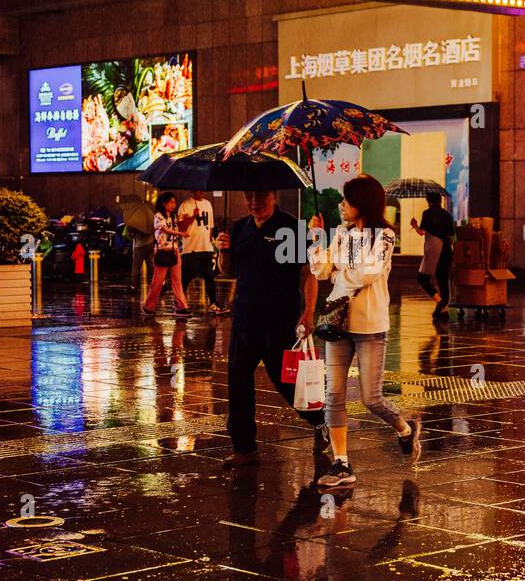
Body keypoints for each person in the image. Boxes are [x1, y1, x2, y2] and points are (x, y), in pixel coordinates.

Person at [309, 174, 421, 489]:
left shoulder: (384, 236)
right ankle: (341, 462)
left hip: (370, 325)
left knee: (372, 398)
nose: (342, 206)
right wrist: (317, 239)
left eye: (347, 200)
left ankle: (404, 428)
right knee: (334, 396)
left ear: (363, 204)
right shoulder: (342, 234)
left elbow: (372, 272)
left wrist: (340, 274)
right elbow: (320, 271)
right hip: (338, 323)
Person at [216, 188, 324, 467]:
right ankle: (244, 448)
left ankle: (320, 422)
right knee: (238, 380)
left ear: (273, 196)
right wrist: (223, 250)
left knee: (286, 382)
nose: (255, 201)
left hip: (280, 320)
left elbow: (307, 272)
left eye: (260, 196)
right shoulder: (240, 228)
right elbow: (228, 271)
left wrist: (309, 311)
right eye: (250, 197)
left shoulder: (291, 228)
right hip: (244, 319)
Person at [142, 191, 188, 318]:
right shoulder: (158, 216)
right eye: (171, 202)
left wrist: (190, 218)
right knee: (158, 282)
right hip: (162, 251)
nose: (174, 205)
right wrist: (179, 234)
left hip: (174, 250)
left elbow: (178, 228)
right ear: (164, 203)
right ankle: (148, 306)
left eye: (175, 202)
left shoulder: (173, 217)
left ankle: (182, 306)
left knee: (177, 281)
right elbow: (164, 229)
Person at [411, 193, 455, 320]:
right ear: (440, 201)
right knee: (443, 280)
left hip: (434, 249)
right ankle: (444, 309)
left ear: (428, 200)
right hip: (447, 250)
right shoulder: (447, 215)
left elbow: (422, 232)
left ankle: (440, 303)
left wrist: (414, 225)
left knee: (422, 278)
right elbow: (452, 238)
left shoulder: (427, 213)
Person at [178, 189, 220, 313]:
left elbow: (210, 226)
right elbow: (180, 227)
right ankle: (179, 303)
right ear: (192, 190)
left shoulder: (208, 204)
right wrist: (193, 217)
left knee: (209, 277)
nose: (202, 191)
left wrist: (210, 243)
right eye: (198, 189)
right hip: (191, 247)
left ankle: (213, 303)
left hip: (206, 247)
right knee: (186, 277)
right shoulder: (185, 205)